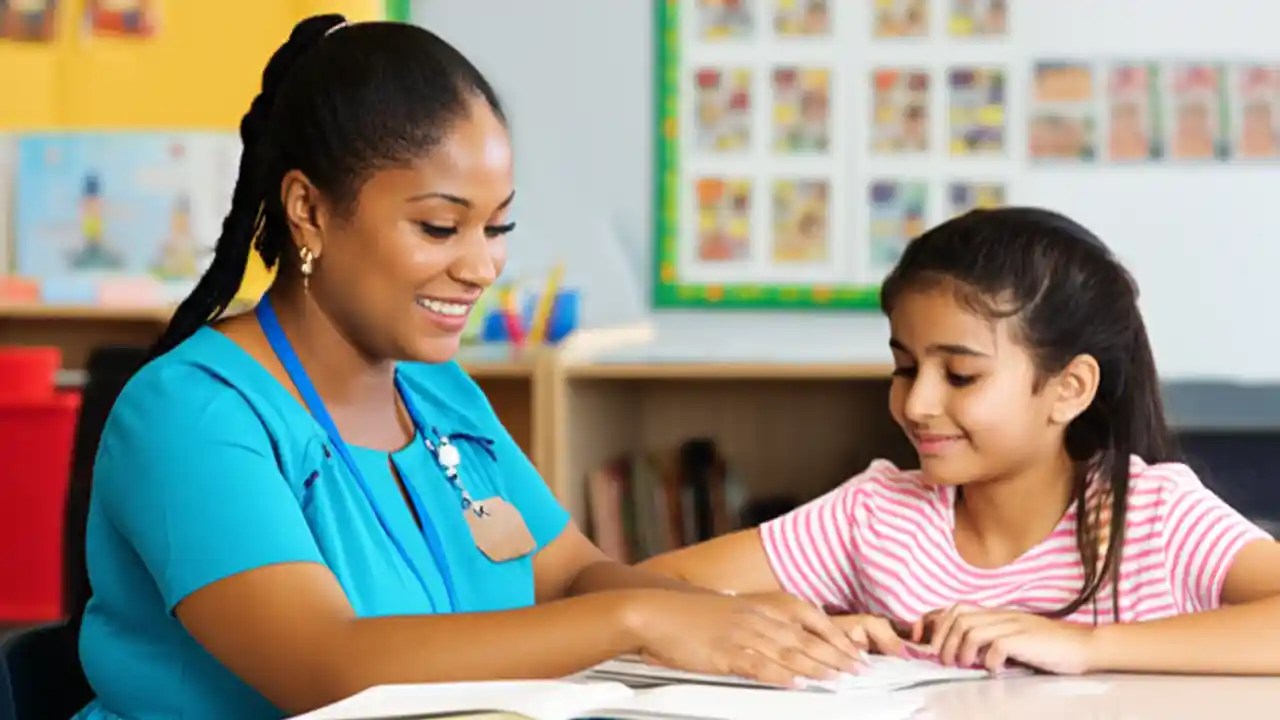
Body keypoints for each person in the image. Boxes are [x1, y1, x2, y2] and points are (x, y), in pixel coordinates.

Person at [73, 15, 863, 720]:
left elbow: (571, 575)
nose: (484, 266)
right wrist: (642, 621)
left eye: (497, 226)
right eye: (441, 226)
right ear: (308, 208)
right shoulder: (192, 414)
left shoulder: (439, 393)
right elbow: (328, 669)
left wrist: (750, 624)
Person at [641, 207, 1280, 675]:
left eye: (961, 374)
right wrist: (782, 618)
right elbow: (637, 591)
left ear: (1069, 388)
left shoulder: (1153, 516)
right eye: (904, 367)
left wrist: (1085, 646)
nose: (917, 403)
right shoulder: (875, 517)